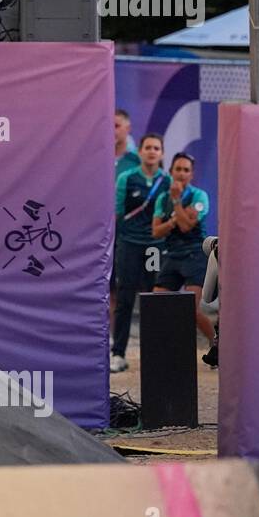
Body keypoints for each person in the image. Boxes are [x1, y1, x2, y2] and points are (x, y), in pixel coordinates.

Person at [111, 133, 169, 372]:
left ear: (162, 153)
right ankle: (118, 354)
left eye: (156, 148)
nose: (152, 151)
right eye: (148, 147)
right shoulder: (127, 178)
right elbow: (116, 212)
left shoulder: (167, 181)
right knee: (124, 299)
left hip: (155, 248)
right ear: (141, 152)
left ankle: (154, 354)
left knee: (153, 299)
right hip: (129, 246)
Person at [151, 152, 217, 360]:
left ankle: (217, 343)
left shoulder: (199, 197)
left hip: (195, 254)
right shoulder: (162, 198)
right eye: (178, 169)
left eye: (186, 170)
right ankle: (166, 353)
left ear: (192, 175)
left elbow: (187, 227)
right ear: (170, 172)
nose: (181, 174)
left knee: (190, 308)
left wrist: (176, 203)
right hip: (172, 255)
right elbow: (156, 231)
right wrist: (174, 221)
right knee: (157, 303)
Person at [110, 109, 141, 329]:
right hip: (98, 234)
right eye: (108, 125)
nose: (112, 131)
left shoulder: (136, 161)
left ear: (127, 129)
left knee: (126, 288)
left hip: (127, 234)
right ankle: (109, 337)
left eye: (116, 126)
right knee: (107, 288)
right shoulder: (94, 155)